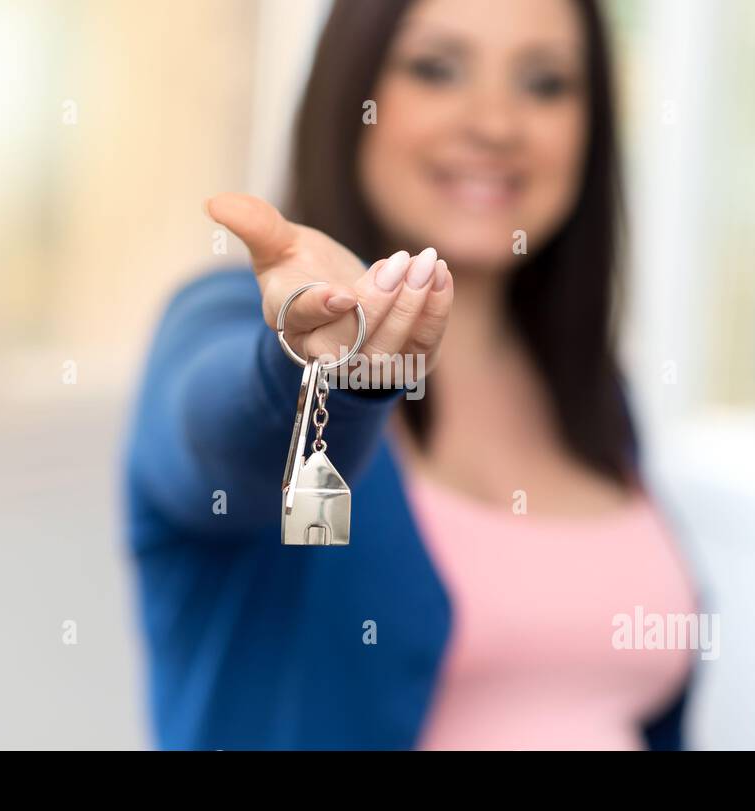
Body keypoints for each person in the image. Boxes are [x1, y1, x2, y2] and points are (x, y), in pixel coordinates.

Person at [125, 0, 701, 749]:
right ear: (351, 93)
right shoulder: (225, 325)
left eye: (546, 83)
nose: (495, 124)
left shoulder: (591, 391)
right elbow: (221, 440)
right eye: (436, 69)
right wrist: (317, 369)